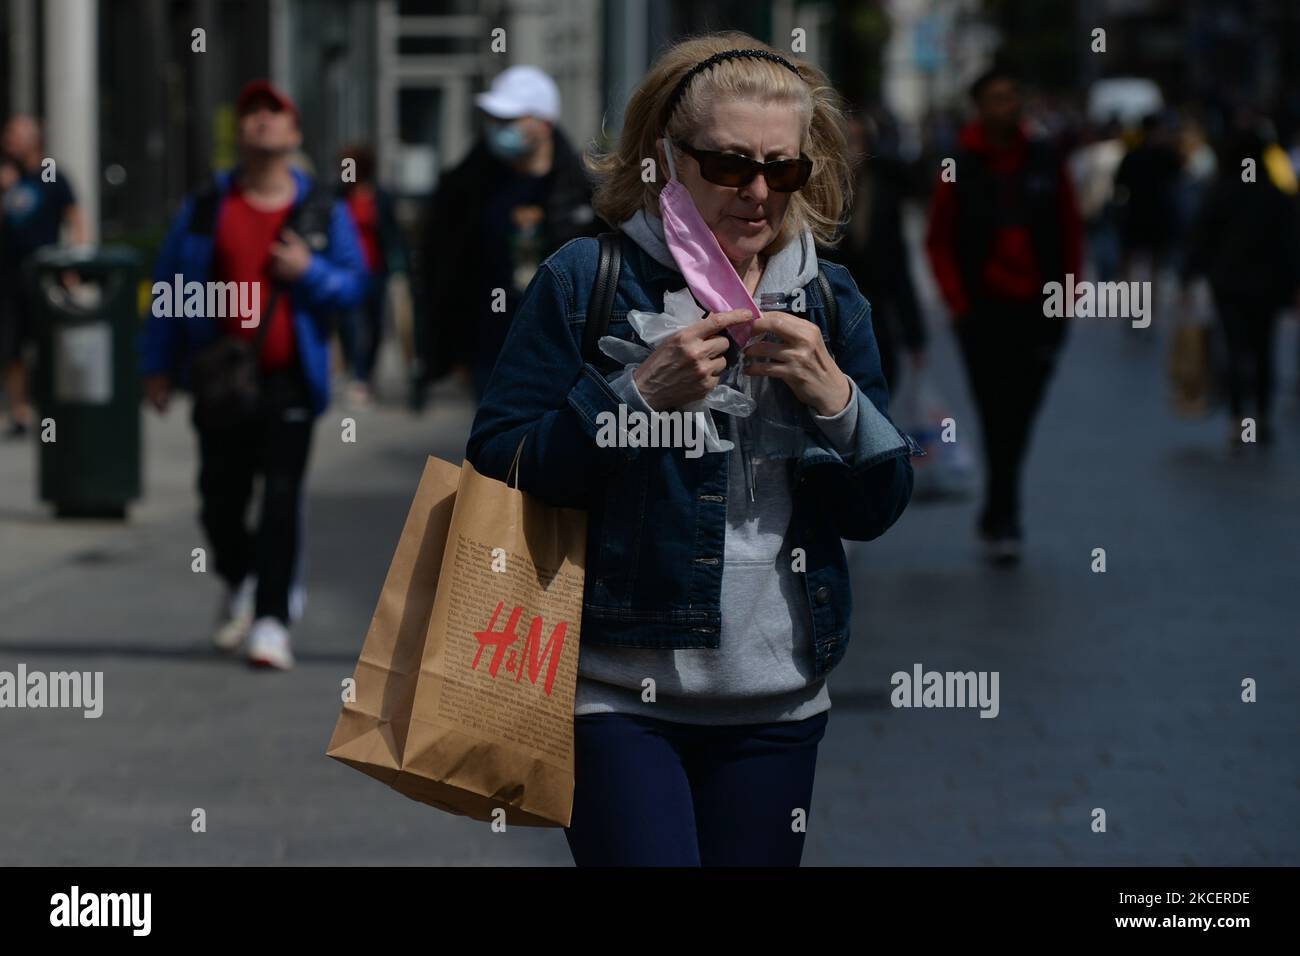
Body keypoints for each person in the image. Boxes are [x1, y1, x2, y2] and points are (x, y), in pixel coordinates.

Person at [466, 32, 914, 866]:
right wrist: (631, 398)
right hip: (613, 696)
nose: (757, 192)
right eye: (728, 165)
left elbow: (876, 509)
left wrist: (839, 402)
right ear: (666, 161)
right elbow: (502, 461)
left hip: (778, 707)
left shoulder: (830, 300)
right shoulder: (584, 280)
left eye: (783, 170)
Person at [139, 81, 367, 669]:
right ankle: (240, 579)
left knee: (282, 498)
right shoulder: (207, 206)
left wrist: (307, 270)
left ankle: (271, 620)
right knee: (218, 500)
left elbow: (354, 283)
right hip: (221, 381)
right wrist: (157, 365)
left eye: (274, 112)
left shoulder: (322, 209)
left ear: (292, 134)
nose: (262, 120)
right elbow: (171, 287)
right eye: (251, 113)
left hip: (290, 377)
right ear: (239, 133)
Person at [925, 65, 1082, 564]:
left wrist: (1067, 296)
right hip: (982, 313)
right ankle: (1003, 512)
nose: (1006, 105)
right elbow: (940, 237)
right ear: (979, 106)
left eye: (1013, 95)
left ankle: (1000, 506)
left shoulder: (1045, 157)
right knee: (996, 411)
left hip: (1039, 311)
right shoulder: (959, 163)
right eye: (996, 97)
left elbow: (1069, 229)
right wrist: (958, 303)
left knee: (1022, 412)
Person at [417, 65, 603, 401]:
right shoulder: (465, 187)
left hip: (564, 347)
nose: (498, 129)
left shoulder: (586, 191)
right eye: (493, 119)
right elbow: (440, 270)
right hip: (490, 349)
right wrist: (444, 350)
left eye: (510, 119)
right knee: (496, 449)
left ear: (544, 124)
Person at [1181, 125, 1300, 450]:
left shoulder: (1223, 191)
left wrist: (1188, 276)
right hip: (1267, 286)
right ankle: (1261, 418)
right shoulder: (1274, 195)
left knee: (1236, 351)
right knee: (1263, 351)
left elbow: (1202, 237)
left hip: (1229, 283)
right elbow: (1290, 243)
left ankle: (1238, 423)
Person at [821, 108, 926, 393]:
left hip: (875, 326)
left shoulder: (883, 194)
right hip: (827, 329)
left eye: (857, 141)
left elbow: (899, 266)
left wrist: (914, 335)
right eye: (844, 142)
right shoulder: (815, 198)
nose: (851, 151)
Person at [0, 115, 87, 437]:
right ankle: (19, 413)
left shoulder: (50, 173)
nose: (10, 140)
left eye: (17, 134)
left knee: (49, 345)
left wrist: (75, 262)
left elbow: (74, 216)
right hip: (8, 274)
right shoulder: (6, 176)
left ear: (35, 140)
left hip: (45, 273)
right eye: (8, 134)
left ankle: (52, 413)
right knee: (10, 348)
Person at [335, 143, 408, 405]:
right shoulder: (339, 196)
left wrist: (401, 268)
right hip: (348, 273)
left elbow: (393, 234)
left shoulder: (380, 196)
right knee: (350, 324)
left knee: (376, 324)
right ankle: (357, 374)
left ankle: (368, 372)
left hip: (376, 270)